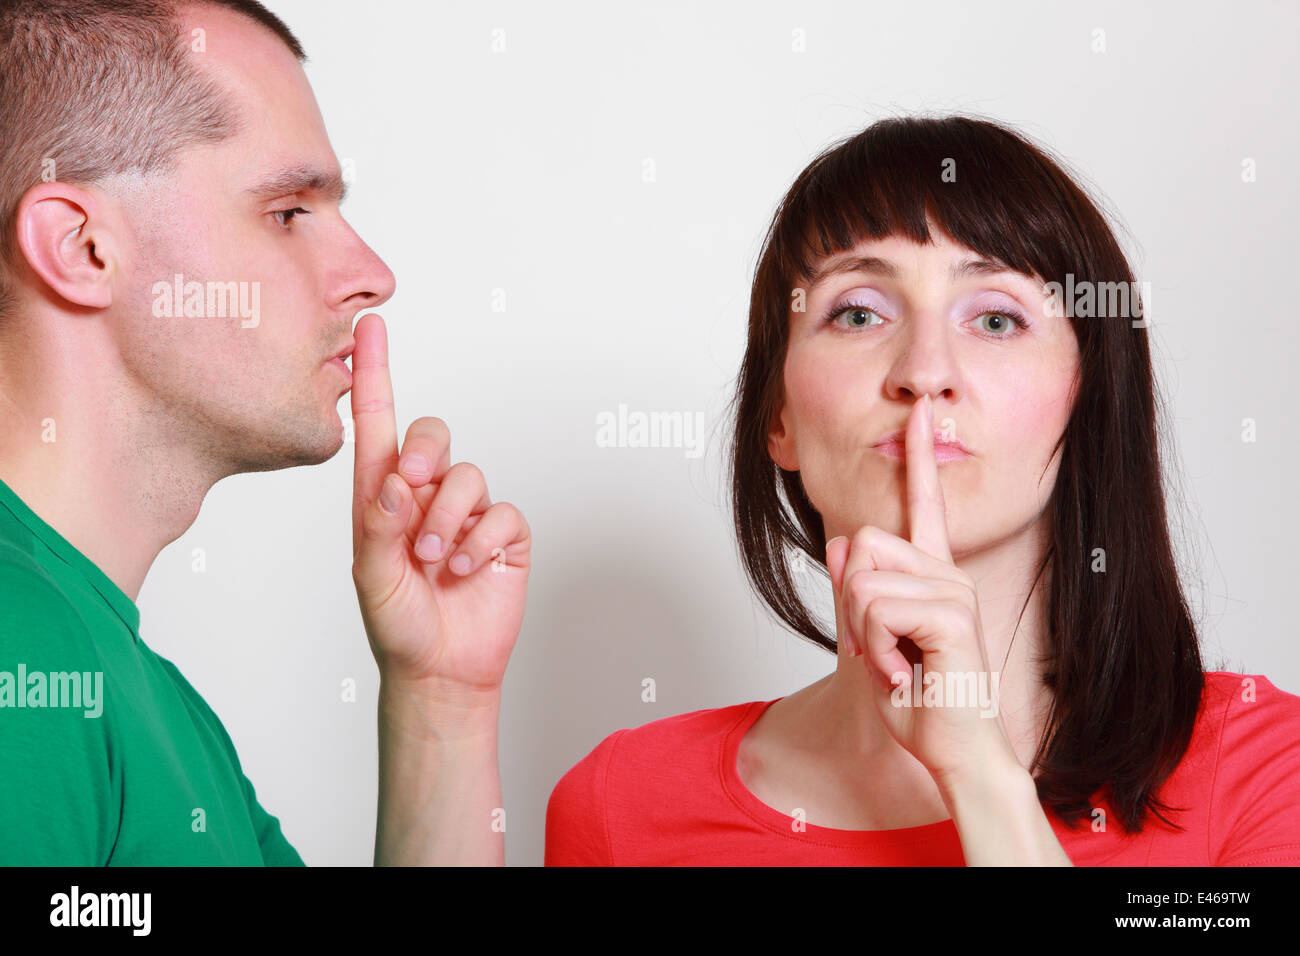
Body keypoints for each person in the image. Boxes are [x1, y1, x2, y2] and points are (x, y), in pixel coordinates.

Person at [545, 114, 1300, 866]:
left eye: (998, 319)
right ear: (778, 417)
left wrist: (980, 771)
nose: (924, 370)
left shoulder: (1265, 772)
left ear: (1089, 400)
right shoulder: (622, 803)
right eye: (859, 312)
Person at [0, 0, 529, 865]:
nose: (374, 276)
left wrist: (441, 698)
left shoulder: (161, 708)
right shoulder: (22, 651)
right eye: (288, 211)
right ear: (82, 248)